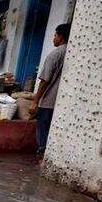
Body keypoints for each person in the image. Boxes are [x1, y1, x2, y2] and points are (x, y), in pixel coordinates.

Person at [33, 23, 70, 155]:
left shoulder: (54, 55)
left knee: (43, 129)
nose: (53, 38)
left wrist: (35, 101)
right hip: (63, 102)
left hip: (49, 101)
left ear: (61, 37)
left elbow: (45, 80)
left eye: (55, 35)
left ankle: (42, 155)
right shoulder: (72, 53)